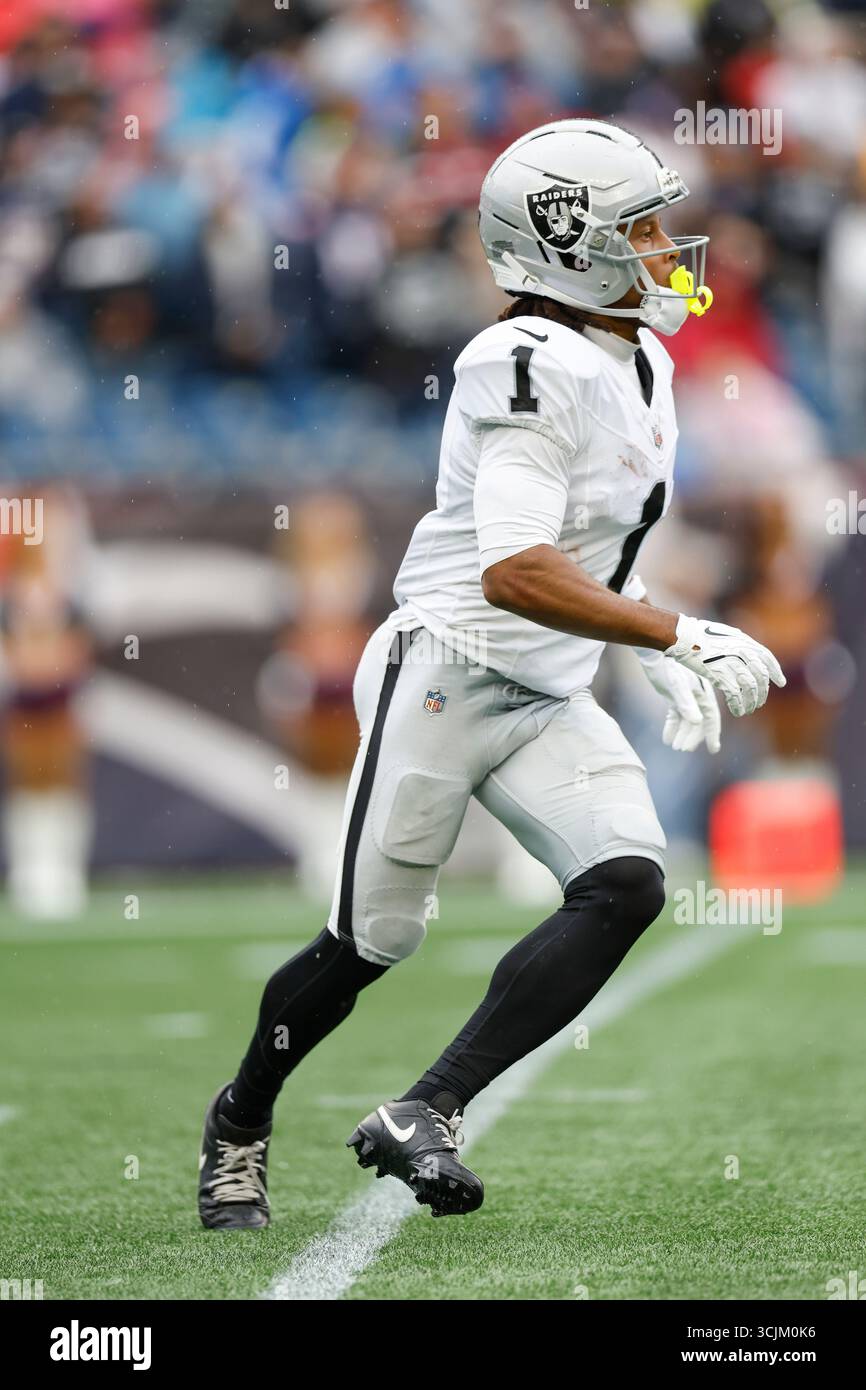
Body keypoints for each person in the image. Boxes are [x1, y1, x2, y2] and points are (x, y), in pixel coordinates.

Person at [197, 119, 784, 1228]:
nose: (667, 248)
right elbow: (514, 568)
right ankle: (238, 1121)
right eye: (640, 229)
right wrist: (667, 633)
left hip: (548, 682)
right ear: (569, 246)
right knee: (370, 942)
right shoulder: (519, 363)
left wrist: (633, 641)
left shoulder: (639, 356)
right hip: (450, 672)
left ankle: (429, 1107)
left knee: (624, 883)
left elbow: (593, 533)